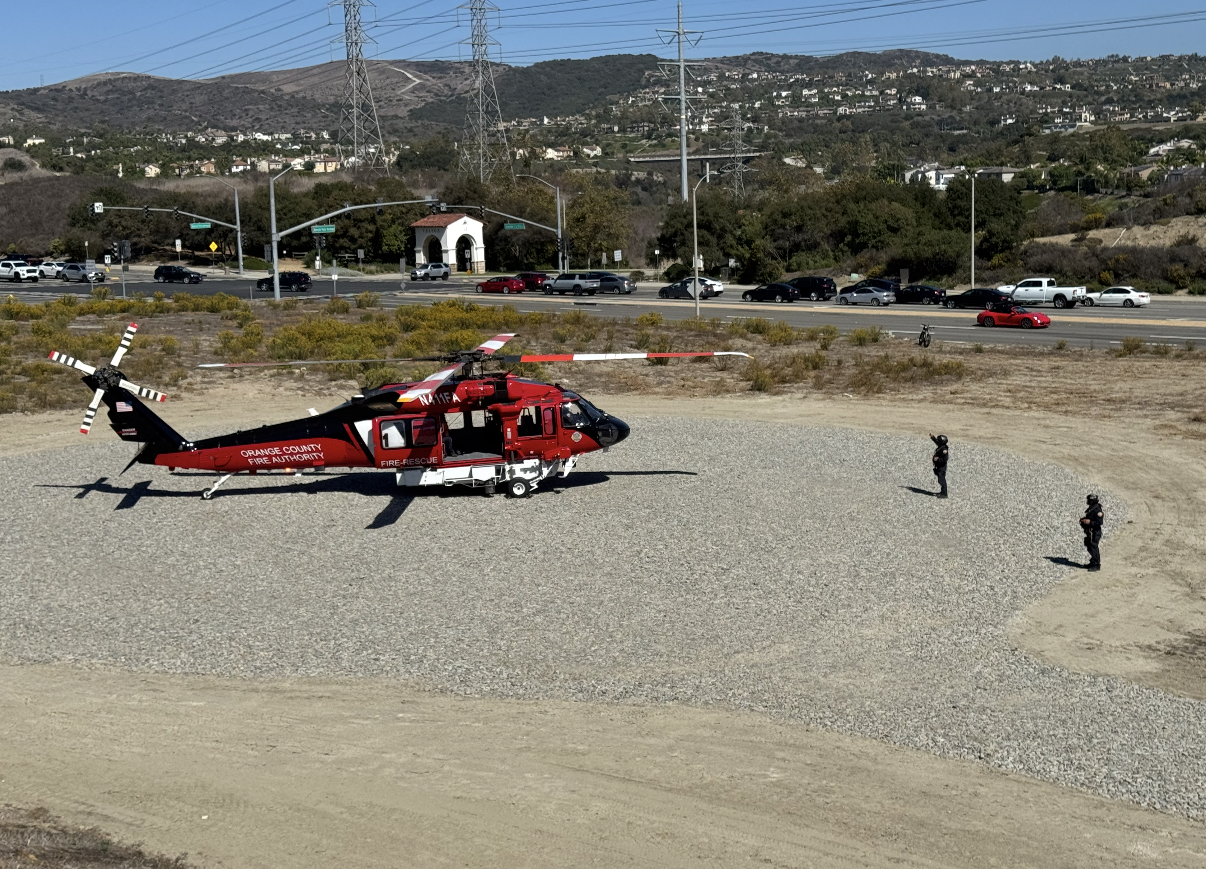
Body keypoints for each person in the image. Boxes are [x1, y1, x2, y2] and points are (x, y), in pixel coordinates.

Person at [1081, 494, 1104, 571]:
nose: (1088, 502)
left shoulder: (1098, 510)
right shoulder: (1091, 508)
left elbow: (1099, 522)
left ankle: (1096, 565)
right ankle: (1093, 561)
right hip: (1090, 532)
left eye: (1089, 500)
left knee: (1094, 547)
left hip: (1095, 532)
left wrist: (1089, 522)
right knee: (1089, 546)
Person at [928, 433, 949, 498]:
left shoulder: (944, 450)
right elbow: (937, 442)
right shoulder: (941, 446)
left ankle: (944, 494)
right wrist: (932, 437)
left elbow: (945, 459)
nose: (938, 441)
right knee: (940, 479)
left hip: (942, 467)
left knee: (941, 479)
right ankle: (942, 492)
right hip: (939, 466)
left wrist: (938, 459)